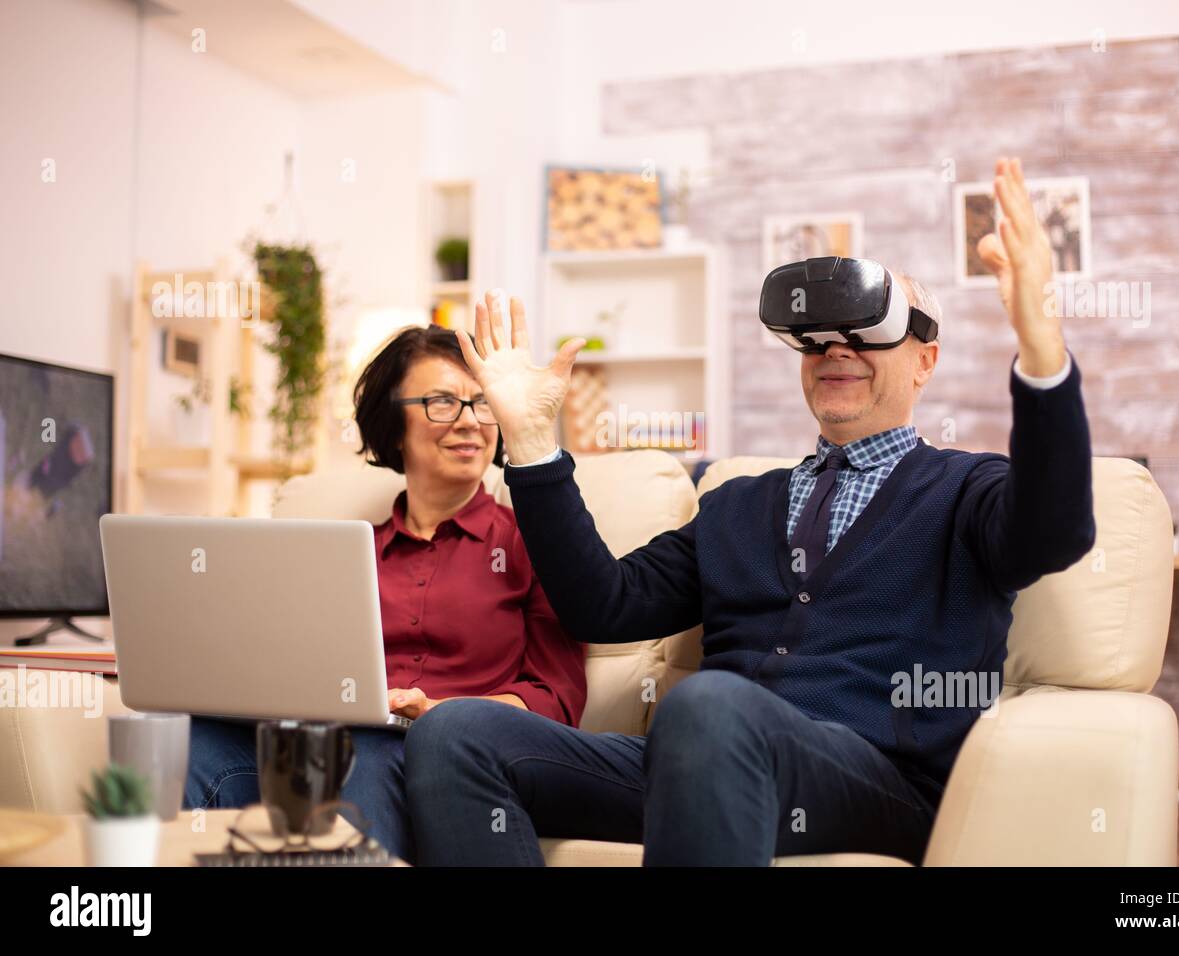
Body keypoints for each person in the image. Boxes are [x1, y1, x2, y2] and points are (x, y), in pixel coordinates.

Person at [403, 156, 1095, 866]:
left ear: (925, 361)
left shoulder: (965, 490)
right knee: (453, 736)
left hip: (876, 786)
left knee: (707, 707)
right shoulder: (738, 503)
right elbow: (601, 608)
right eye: (817, 335)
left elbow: (1054, 531)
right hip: (699, 761)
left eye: (865, 332)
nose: (834, 349)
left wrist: (1041, 348)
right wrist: (529, 442)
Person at [183, 327, 587, 863]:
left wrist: (438, 711)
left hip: (450, 756)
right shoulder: (342, 554)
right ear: (393, 424)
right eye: (444, 402)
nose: (470, 420)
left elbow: (556, 699)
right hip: (323, 744)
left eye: (483, 403)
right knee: (196, 744)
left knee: (367, 748)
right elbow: (291, 671)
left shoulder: (534, 542)